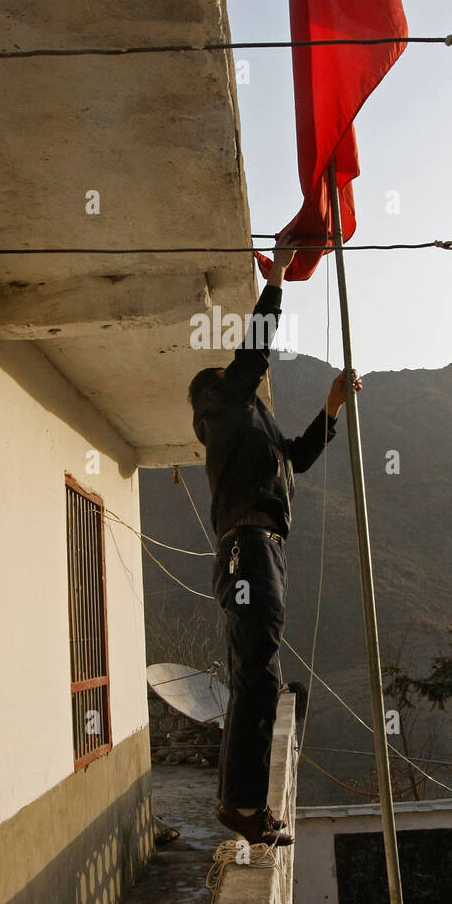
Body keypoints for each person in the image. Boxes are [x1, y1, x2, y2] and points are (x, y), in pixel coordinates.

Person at [188, 237, 361, 846]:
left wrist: (331, 408)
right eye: (233, 378)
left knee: (256, 674)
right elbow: (252, 357)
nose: (250, 384)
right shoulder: (225, 408)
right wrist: (279, 279)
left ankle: (241, 804)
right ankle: (241, 807)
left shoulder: (255, 432)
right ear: (215, 394)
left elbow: (297, 457)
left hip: (264, 550)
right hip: (247, 549)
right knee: (258, 674)